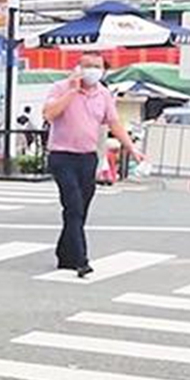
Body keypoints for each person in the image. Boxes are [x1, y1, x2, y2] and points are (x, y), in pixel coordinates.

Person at [42, 52, 142, 278]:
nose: (92, 70)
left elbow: (114, 122)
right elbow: (49, 114)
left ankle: (65, 254)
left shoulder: (104, 94)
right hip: (62, 155)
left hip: (87, 157)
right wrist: (72, 91)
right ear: (77, 67)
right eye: (87, 66)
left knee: (79, 210)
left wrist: (131, 147)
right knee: (73, 205)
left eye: (97, 66)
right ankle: (81, 259)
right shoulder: (60, 88)